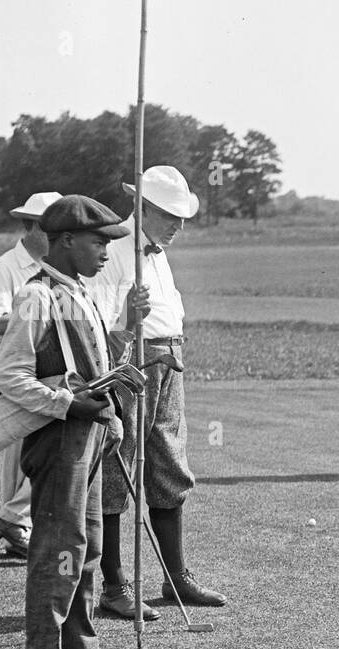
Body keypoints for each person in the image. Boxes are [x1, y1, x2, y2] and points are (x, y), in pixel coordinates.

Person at [0, 195, 137, 649]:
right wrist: (67, 403)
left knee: (88, 546)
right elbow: (7, 376)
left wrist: (109, 417)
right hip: (57, 439)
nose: (106, 252)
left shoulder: (80, 292)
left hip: (91, 437)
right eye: (98, 242)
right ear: (67, 241)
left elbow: (91, 364)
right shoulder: (39, 296)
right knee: (59, 552)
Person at [90, 165, 225, 618]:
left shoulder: (158, 251)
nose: (178, 225)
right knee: (118, 469)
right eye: (169, 214)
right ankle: (114, 586)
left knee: (169, 465)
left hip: (170, 361)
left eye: (182, 217)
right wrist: (127, 322)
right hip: (130, 362)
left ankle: (175, 579)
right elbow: (98, 329)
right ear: (142, 207)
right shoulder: (112, 250)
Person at [0, 191, 62, 557]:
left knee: (49, 447)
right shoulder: (6, 266)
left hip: (55, 370)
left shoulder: (59, 267)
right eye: (53, 229)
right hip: (16, 368)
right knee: (18, 451)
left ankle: (16, 521)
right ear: (34, 227)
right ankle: (17, 525)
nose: (59, 236)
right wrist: (36, 316)